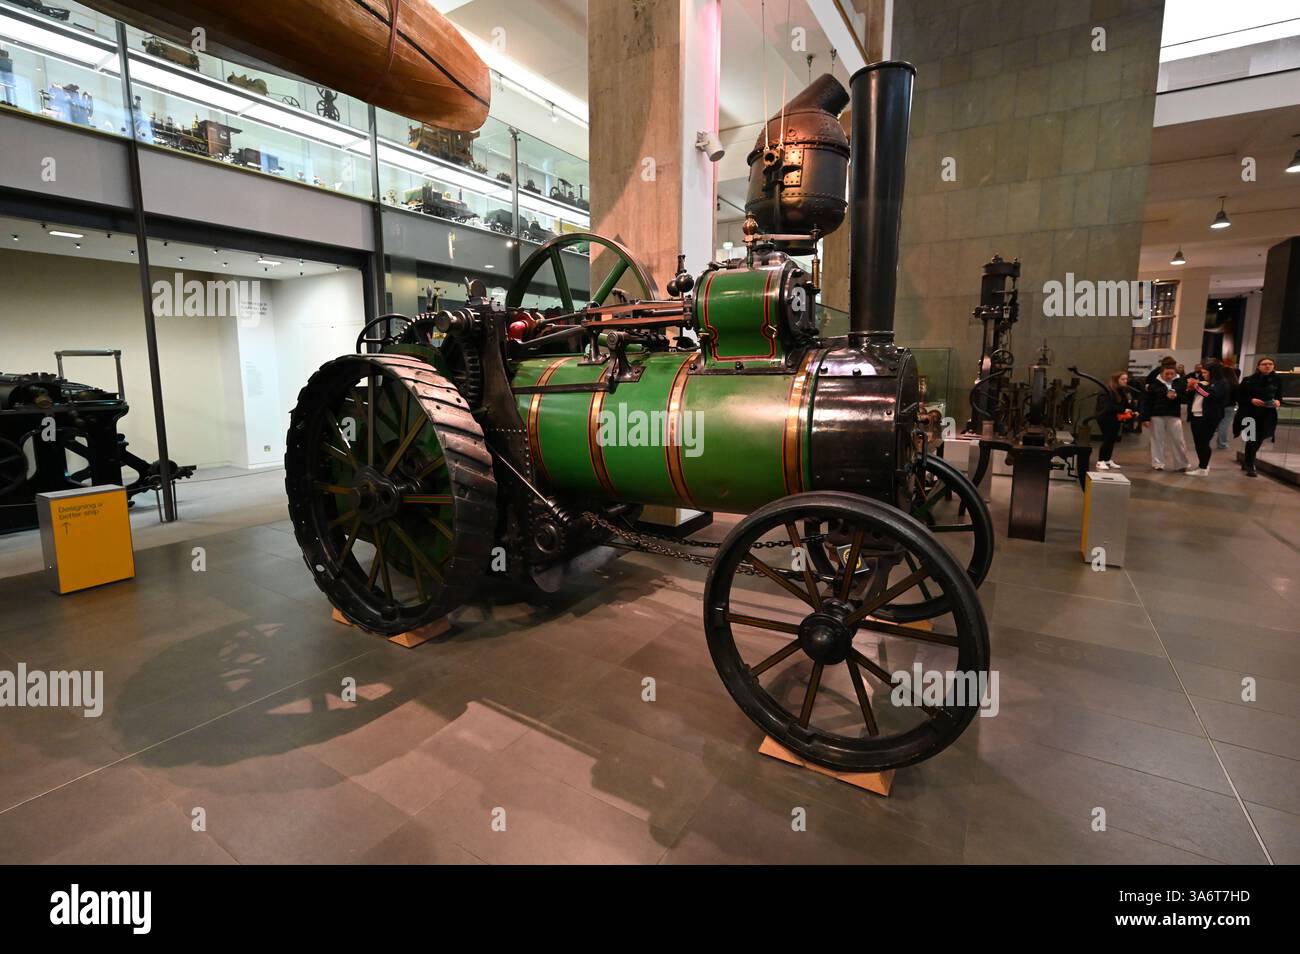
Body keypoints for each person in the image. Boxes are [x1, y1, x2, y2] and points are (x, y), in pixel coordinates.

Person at [1234, 356, 1283, 477]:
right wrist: (1251, 400)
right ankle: (1250, 464)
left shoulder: (1277, 380)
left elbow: (1279, 395)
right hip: (1249, 413)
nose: (1268, 366)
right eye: (1264, 364)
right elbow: (1238, 396)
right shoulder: (1248, 380)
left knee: (1259, 438)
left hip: (1268, 414)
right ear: (1258, 366)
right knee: (1251, 439)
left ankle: (1247, 461)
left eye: (1270, 364)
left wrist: (1277, 401)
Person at [1143, 361, 1189, 472]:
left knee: (1178, 440)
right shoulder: (1154, 385)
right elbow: (1147, 402)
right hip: (1156, 415)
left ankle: (1182, 464)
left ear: (1175, 373)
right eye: (1166, 373)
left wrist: (1176, 396)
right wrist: (1145, 417)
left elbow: (1186, 399)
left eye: (1171, 374)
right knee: (1157, 440)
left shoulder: (1180, 383)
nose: (1169, 376)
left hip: (1173, 415)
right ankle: (1157, 463)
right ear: (1161, 373)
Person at [1184, 364, 1230, 475]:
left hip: (1209, 417)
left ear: (1213, 372)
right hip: (1196, 415)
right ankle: (1202, 466)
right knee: (1198, 443)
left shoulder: (1221, 383)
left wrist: (1196, 386)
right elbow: (1192, 397)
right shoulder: (1202, 382)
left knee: (1203, 443)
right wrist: (1190, 388)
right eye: (1202, 373)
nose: (1203, 375)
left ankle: (1203, 468)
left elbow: (1210, 395)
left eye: (1205, 373)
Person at [1095, 372, 1136, 470]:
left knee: (1112, 439)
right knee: (1107, 438)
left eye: (1126, 379)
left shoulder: (1121, 391)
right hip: (1105, 418)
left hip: (1115, 418)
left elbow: (1125, 404)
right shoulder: (1107, 391)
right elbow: (1108, 406)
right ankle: (1100, 461)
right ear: (1116, 380)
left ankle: (1107, 459)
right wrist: (1123, 410)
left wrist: (1134, 410)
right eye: (1123, 379)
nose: (1125, 381)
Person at [1216, 356, 1240, 449]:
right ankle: (1222, 443)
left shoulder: (1221, 383)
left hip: (1220, 405)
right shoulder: (1235, 384)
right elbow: (1238, 396)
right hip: (1230, 406)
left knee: (1220, 424)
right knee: (1224, 425)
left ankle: (1220, 442)